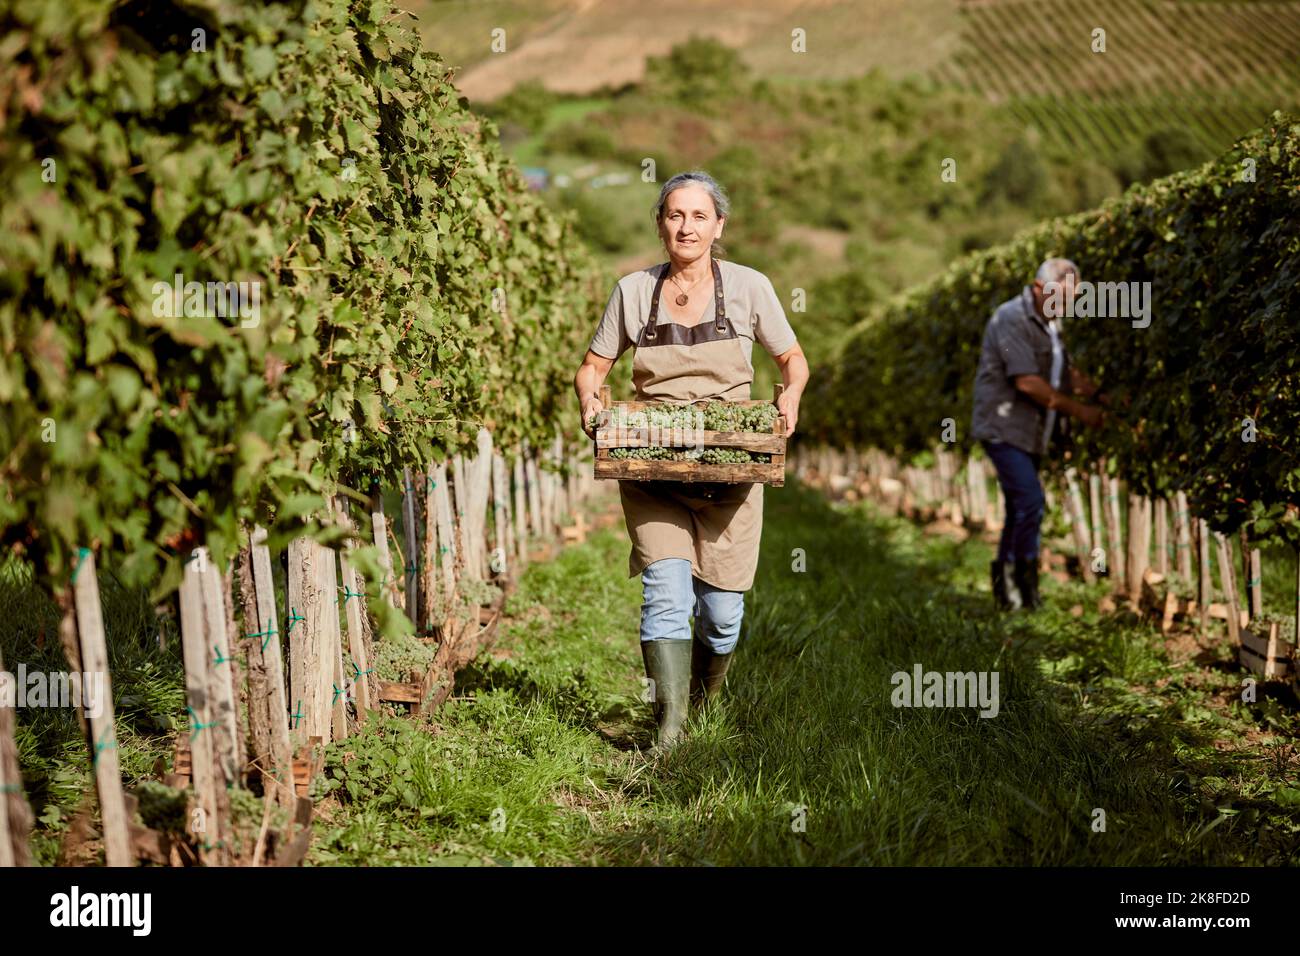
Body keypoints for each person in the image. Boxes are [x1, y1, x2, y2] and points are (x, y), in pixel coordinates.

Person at [574, 170, 810, 752]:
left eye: (699, 216)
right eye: (675, 215)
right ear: (661, 223)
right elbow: (594, 367)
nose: (686, 226)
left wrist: (790, 394)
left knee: (722, 614)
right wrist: (589, 396)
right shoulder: (632, 291)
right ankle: (671, 728)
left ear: (718, 225)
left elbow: (792, 358)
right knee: (666, 595)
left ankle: (704, 701)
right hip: (655, 467)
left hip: (730, 468)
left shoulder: (751, 287)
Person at [970, 258, 1106, 611]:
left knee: (1020, 507)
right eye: (1059, 298)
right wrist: (1081, 412)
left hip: (1031, 431)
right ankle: (1021, 591)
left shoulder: (1050, 322)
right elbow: (1027, 381)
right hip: (1003, 427)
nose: (1065, 306)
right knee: (1030, 501)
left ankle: (1010, 592)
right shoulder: (1010, 319)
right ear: (1037, 288)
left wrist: (1102, 395)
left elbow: (1065, 374)